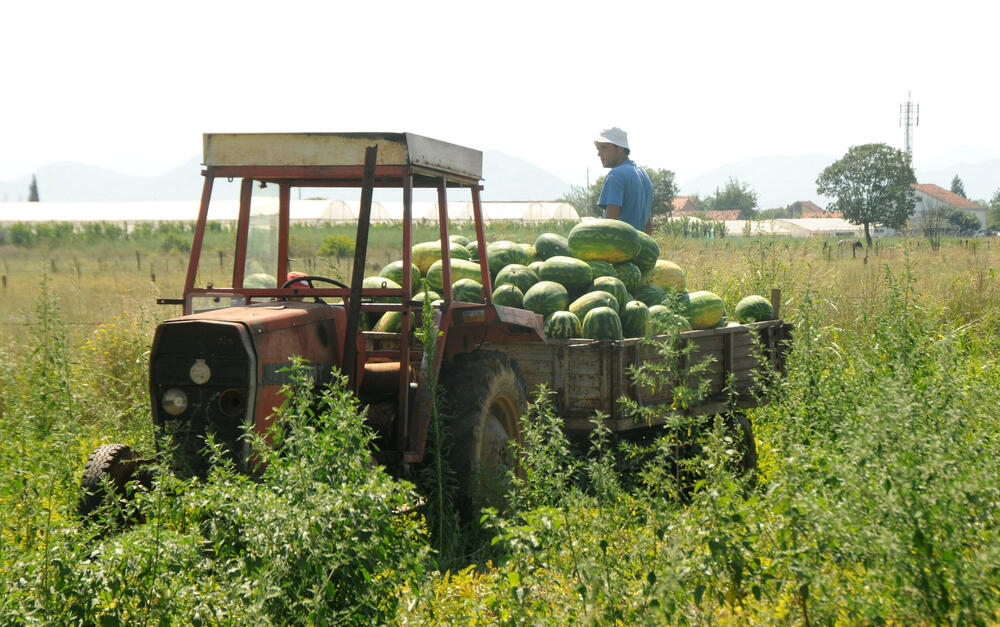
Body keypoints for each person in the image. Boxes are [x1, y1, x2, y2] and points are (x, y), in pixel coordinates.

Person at [594, 127, 654, 233]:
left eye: (604, 147)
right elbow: (648, 226)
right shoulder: (645, 176)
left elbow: (610, 224)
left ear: (620, 148)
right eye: (598, 149)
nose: (599, 154)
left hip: (620, 249)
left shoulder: (615, 175)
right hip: (639, 248)